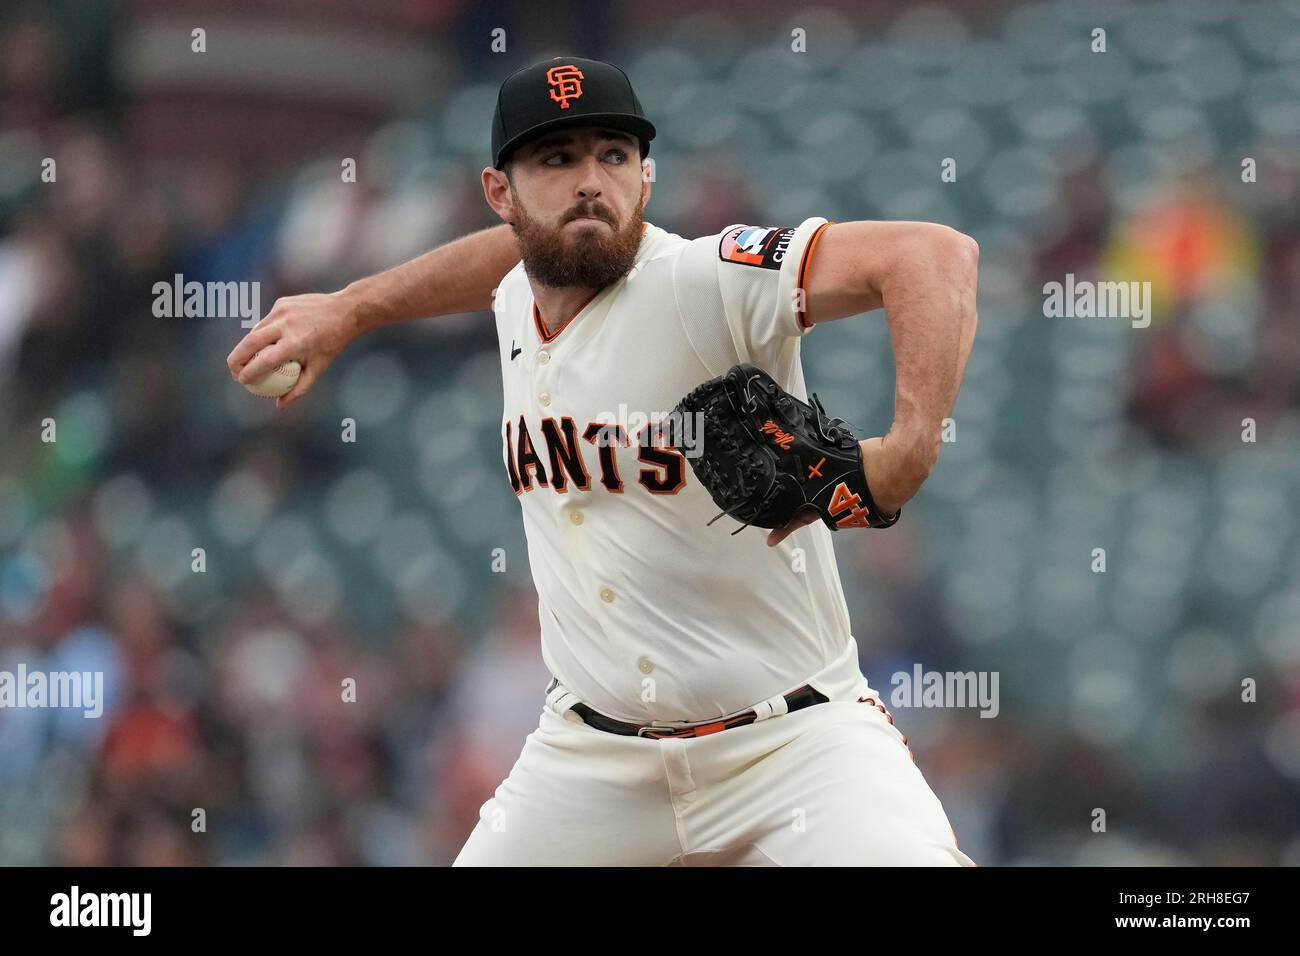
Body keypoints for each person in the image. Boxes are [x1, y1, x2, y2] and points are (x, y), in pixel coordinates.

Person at [228, 55, 979, 866]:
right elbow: (501, 264)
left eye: (614, 156)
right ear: (500, 194)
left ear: (646, 180)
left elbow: (934, 257)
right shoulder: (522, 290)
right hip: (592, 763)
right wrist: (351, 309)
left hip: (794, 745)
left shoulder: (701, 280)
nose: (591, 181)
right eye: (557, 159)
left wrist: (908, 449)